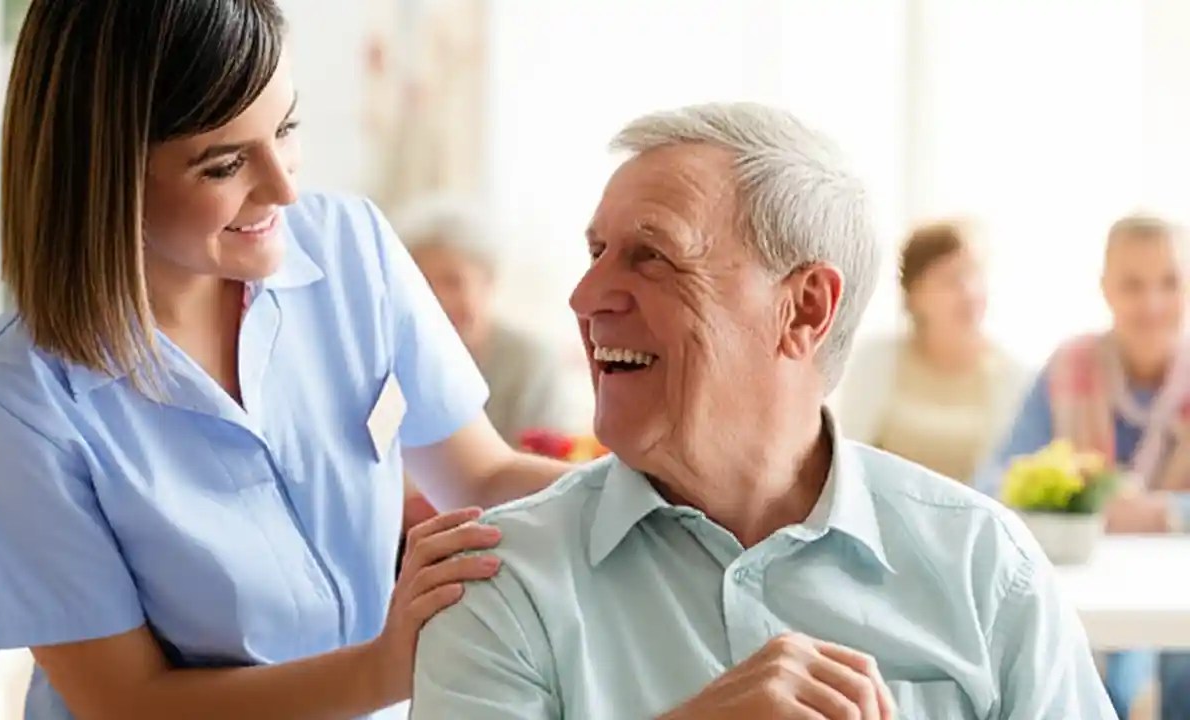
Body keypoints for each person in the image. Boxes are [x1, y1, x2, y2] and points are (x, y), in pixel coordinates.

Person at [0, 2, 566, 719]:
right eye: (226, 163)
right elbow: (125, 701)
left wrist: (659, 493)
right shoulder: (16, 400)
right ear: (105, 175)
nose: (284, 187)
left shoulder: (352, 248)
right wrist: (386, 668)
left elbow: (481, 475)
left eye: (286, 128)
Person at [410, 103, 1116, 720]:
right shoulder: (499, 580)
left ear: (805, 307)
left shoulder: (985, 567)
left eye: (650, 256)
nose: (587, 296)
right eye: (597, 252)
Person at [975, 214, 1190, 720]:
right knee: (1093, 678)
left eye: (1170, 283)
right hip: (1089, 582)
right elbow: (993, 480)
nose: (1152, 303)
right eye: (1133, 285)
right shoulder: (1070, 365)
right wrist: (1078, 503)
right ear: (1105, 289)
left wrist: (1162, 514)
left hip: (1180, 584)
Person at [837, 220, 1029, 483]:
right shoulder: (875, 361)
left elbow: (1009, 482)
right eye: (952, 280)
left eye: (975, 275)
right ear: (915, 294)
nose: (970, 292)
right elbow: (846, 459)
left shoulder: (1012, 376)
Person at [395, 196, 584, 445]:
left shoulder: (529, 360)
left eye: (453, 282)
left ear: (488, 281)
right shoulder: (392, 359)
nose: (438, 299)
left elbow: (548, 458)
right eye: (424, 283)